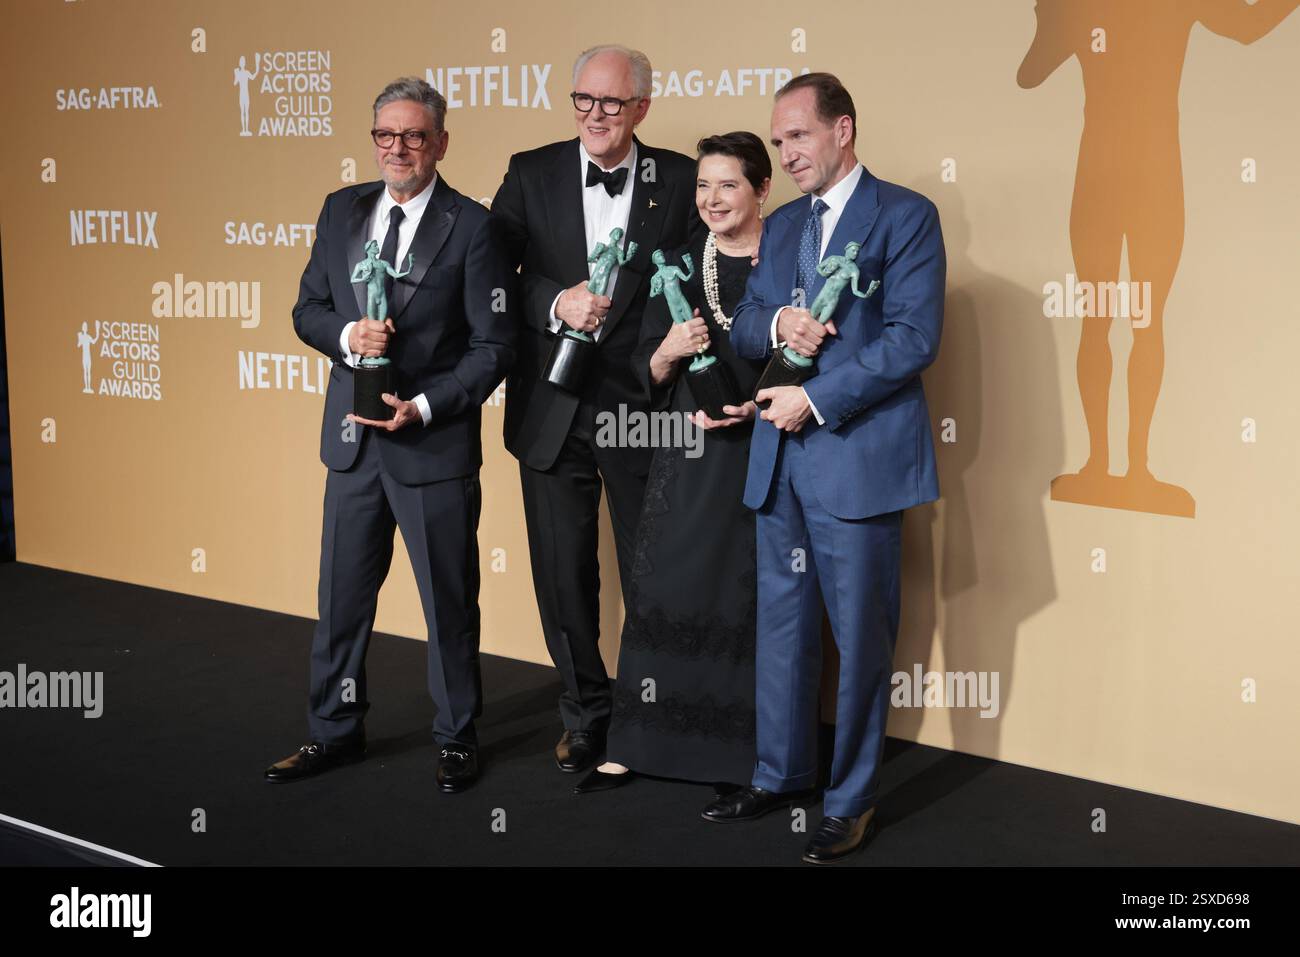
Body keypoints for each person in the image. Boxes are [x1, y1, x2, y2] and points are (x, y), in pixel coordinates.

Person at [703, 73, 946, 864]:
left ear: (844, 129)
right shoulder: (783, 226)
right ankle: (780, 773)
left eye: (798, 136)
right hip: (780, 460)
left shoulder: (906, 216)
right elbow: (743, 326)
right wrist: (775, 317)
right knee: (782, 629)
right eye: (778, 142)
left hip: (857, 459)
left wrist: (818, 400)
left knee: (862, 640)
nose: (788, 152)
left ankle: (850, 800)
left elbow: (912, 340)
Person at [265, 77, 516, 793]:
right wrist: (348, 335)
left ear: (440, 142)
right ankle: (333, 732)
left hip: (429, 447)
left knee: (447, 602)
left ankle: (457, 736)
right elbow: (307, 308)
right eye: (384, 135)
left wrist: (428, 406)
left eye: (412, 135)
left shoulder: (472, 226)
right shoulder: (340, 209)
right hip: (351, 446)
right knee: (341, 600)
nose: (397, 148)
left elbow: (494, 345)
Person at [491, 45, 701, 774]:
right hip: (550, 406)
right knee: (563, 574)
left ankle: (653, 715)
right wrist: (555, 299)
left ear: (643, 106)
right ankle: (586, 714)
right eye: (583, 100)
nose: (594, 116)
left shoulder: (678, 179)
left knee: (656, 568)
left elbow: (699, 281)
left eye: (611, 103)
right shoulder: (530, 169)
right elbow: (491, 276)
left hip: (642, 406)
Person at [572, 132, 771, 795]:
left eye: (729, 185)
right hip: (688, 452)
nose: (712, 199)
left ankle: (731, 756)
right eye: (703, 186)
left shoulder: (791, 261)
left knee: (741, 596)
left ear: (762, 189)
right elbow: (643, 373)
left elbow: (814, 353)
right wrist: (670, 348)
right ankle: (637, 742)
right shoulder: (680, 263)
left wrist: (759, 406)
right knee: (665, 587)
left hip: (766, 450)